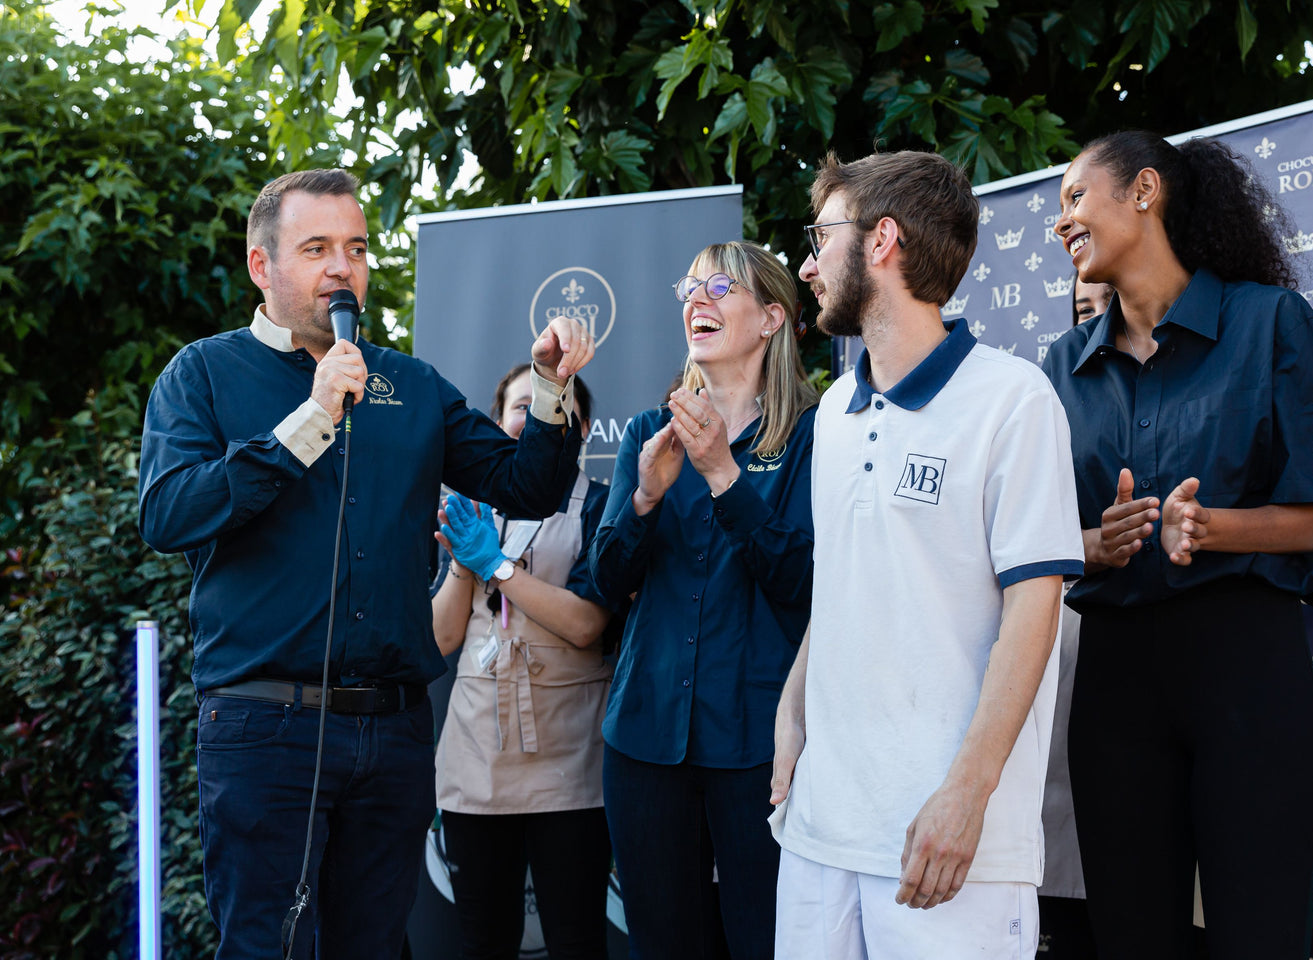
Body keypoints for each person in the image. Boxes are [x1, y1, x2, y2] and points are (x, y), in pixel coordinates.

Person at [137, 168, 594, 959]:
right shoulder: (202, 375)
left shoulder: (410, 385)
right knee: (264, 947)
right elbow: (171, 513)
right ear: (262, 266)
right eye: (316, 248)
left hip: (391, 729)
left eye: (355, 248)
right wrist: (311, 419)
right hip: (262, 724)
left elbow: (530, 485)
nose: (341, 267)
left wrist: (551, 389)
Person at [769, 150, 1085, 960]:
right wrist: (793, 712)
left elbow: (1033, 608)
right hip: (820, 831)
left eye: (820, 236)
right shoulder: (833, 409)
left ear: (882, 240)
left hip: (949, 844)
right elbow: (843, 586)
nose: (806, 265)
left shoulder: (1014, 400)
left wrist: (967, 795)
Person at [1041, 131, 1313, 960]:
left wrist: (1209, 528)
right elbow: (1034, 540)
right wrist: (1093, 545)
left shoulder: (1270, 321)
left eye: (1075, 197)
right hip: (1113, 691)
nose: (1060, 221)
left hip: (1248, 672)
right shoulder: (1058, 368)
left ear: (1145, 191)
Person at [589, 240, 818, 960]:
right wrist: (645, 497)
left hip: (759, 744)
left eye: (721, 286)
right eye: (689, 288)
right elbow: (604, 583)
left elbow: (805, 586)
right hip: (646, 736)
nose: (698, 300)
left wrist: (723, 473)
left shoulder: (816, 434)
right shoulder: (642, 436)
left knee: (766, 942)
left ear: (772, 318)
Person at [431, 365, 615, 960]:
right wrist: (465, 560)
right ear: (497, 422)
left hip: (572, 759)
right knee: (484, 941)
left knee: (577, 939)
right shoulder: (466, 508)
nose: (533, 419)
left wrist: (497, 567)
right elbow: (441, 640)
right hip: (477, 755)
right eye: (521, 407)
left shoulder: (604, 508)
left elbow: (588, 624)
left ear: (582, 428)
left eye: (554, 408)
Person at [1035, 274, 1115, 960]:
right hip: (1064, 625)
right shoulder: (1049, 388)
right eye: (1081, 312)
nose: (1094, 324)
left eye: (1107, 306)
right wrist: (1084, 545)